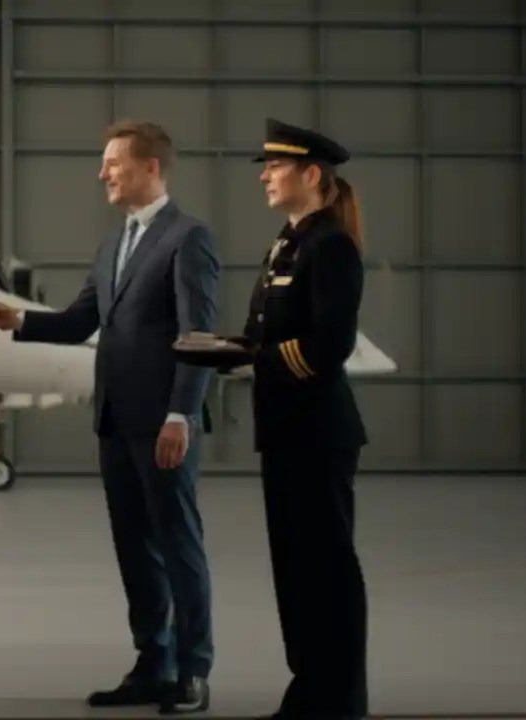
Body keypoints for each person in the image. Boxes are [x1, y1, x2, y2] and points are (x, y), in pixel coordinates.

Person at [0, 119, 220, 715]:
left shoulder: (187, 238)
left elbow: (198, 336)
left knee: (179, 546)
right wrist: (19, 321)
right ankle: (153, 664)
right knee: (135, 551)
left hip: (163, 424)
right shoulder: (115, 243)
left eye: (113, 163)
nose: (102, 174)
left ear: (150, 168)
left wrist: (180, 417)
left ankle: (193, 670)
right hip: (115, 421)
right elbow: (79, 321)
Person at [190, 117, 370, 720]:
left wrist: (252, 357)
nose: (265, 175)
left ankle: (338, 698)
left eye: (276, 166)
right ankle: (311, 689)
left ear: (311, 174)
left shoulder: (329, 245)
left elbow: (328, 346)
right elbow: (269, 332)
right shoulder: (287, 243)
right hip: (288, 431)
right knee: (295, 569)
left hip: (319, 431)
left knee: (326, 569)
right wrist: (226, 348)